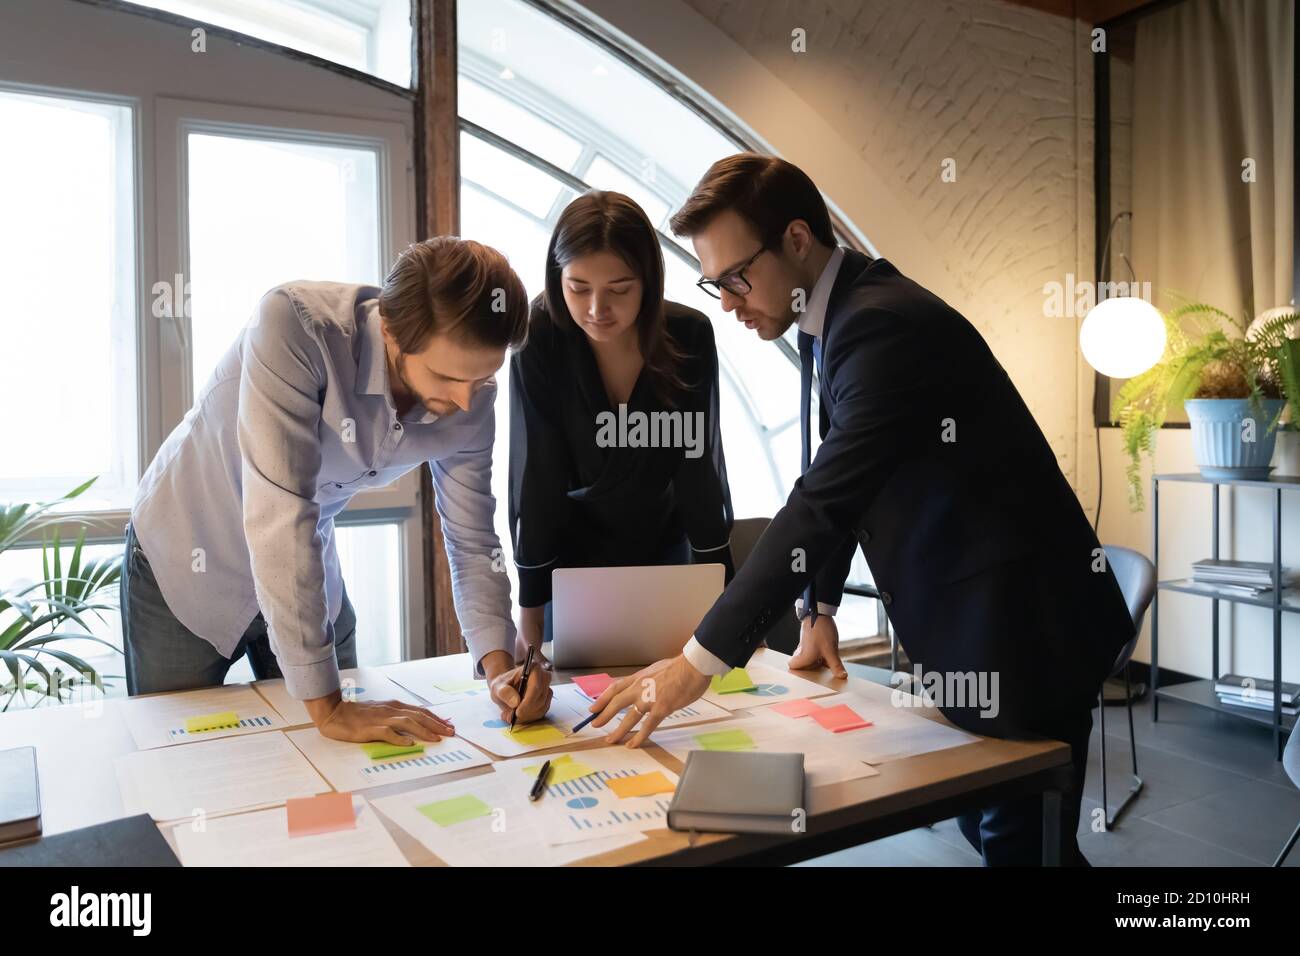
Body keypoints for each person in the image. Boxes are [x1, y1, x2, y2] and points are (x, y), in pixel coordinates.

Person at [588, 153, 1134, 866]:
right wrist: (820, 610)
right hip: (986, 620)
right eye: (713, 283)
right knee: (1005, 829)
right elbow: (844, 470)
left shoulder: (882, 325)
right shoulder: (838, 313)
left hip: (1024, 625)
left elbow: (823, 500)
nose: (727, 302)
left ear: (794, 239)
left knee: (1020, 837)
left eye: (735, 278)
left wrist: (696, 664)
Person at [121, 237, 553, 744]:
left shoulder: (471, 390)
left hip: (307, 568)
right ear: (391, 329)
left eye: (482, 379)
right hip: (187, 562)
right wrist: (329, 710)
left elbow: (473, 538)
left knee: (342, 768)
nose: (465, 401)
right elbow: (281, 513)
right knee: (181, 760)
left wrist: (500, 668)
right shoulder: (293, 326)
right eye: (446, 376)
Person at [508, 191, 734, 660]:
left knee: (680, 700)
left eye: (619, 288)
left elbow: (697, 470)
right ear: (557, 277)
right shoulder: (540, 336)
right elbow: (538, 474)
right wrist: (529, 616)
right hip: (569, 564)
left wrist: (728, 601)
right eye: (578, 287)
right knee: (573, 705)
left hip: (664, 552)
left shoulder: (688, 334)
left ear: (648, 282)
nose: (596, 308)